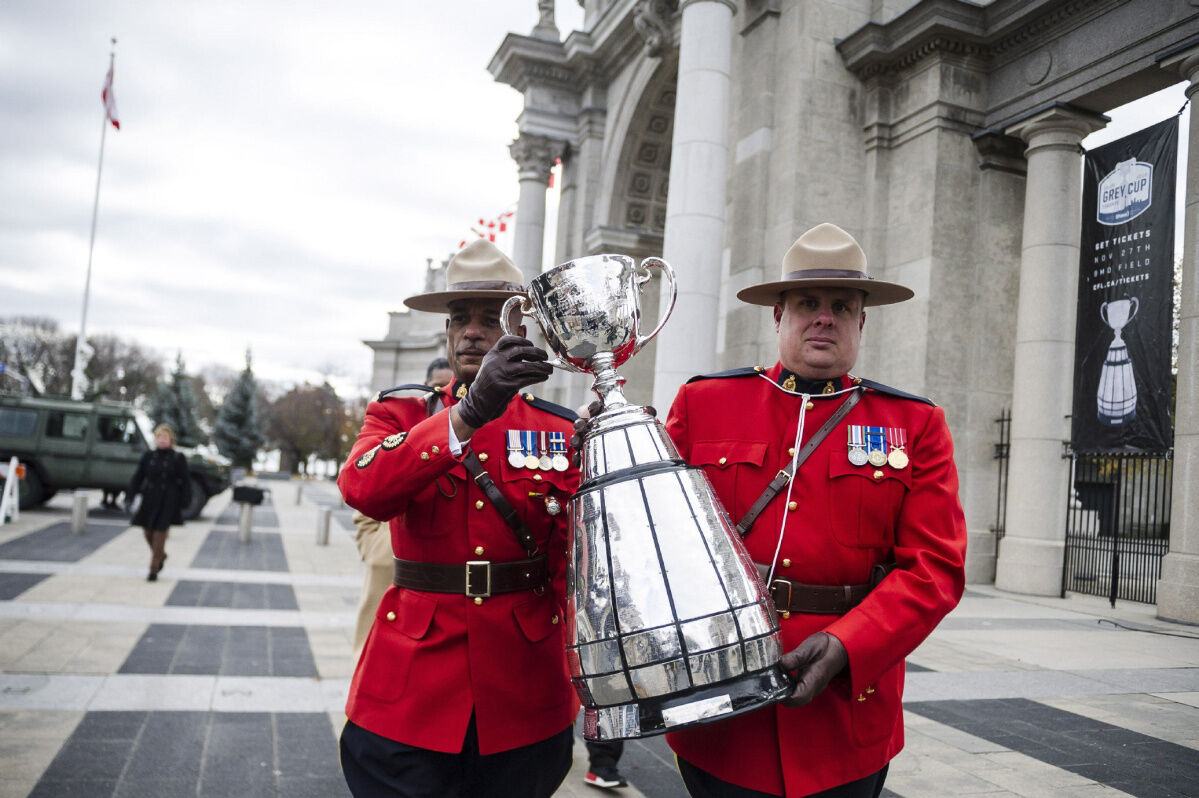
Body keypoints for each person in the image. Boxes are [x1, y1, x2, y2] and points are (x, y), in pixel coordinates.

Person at [661, 223, 967, 797]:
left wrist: (851, 645)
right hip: (724, 704)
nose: (824, 317)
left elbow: (935, 569)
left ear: (861, 321)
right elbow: (661, 540)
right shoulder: (705, 404)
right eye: (807, 303)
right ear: (778, 315)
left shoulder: (915, 425)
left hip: (845, 711)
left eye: (842, 305)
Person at [337, 239, 582, 798]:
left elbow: (574, 562)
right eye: (460, 318)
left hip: (522, 683)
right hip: (411, 682)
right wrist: (467, 414)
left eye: (489, 317)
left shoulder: (559, 430)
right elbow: (363, 489)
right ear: (446, 333)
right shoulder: (400, 412)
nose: (472, 331)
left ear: (519, 326)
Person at [349, 357, 458, 662]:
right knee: (377, 666)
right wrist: (375, 547)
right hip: (391, 562)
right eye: (437, 385)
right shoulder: (400, 421)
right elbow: (361, 484)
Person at [127, 423, 190, 581]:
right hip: (150, 498)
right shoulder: (148, 456)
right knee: (148, 532)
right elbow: (138, 477)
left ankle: (153, 569)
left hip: (168, 500)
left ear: (171, 439)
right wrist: (130, 496)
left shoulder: (178, 458)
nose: (162, 440)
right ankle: (161, 555)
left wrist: (185, 500)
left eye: (165, 437)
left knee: (160, 533)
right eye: (159, 437)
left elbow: (185, 481)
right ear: (155, 439)